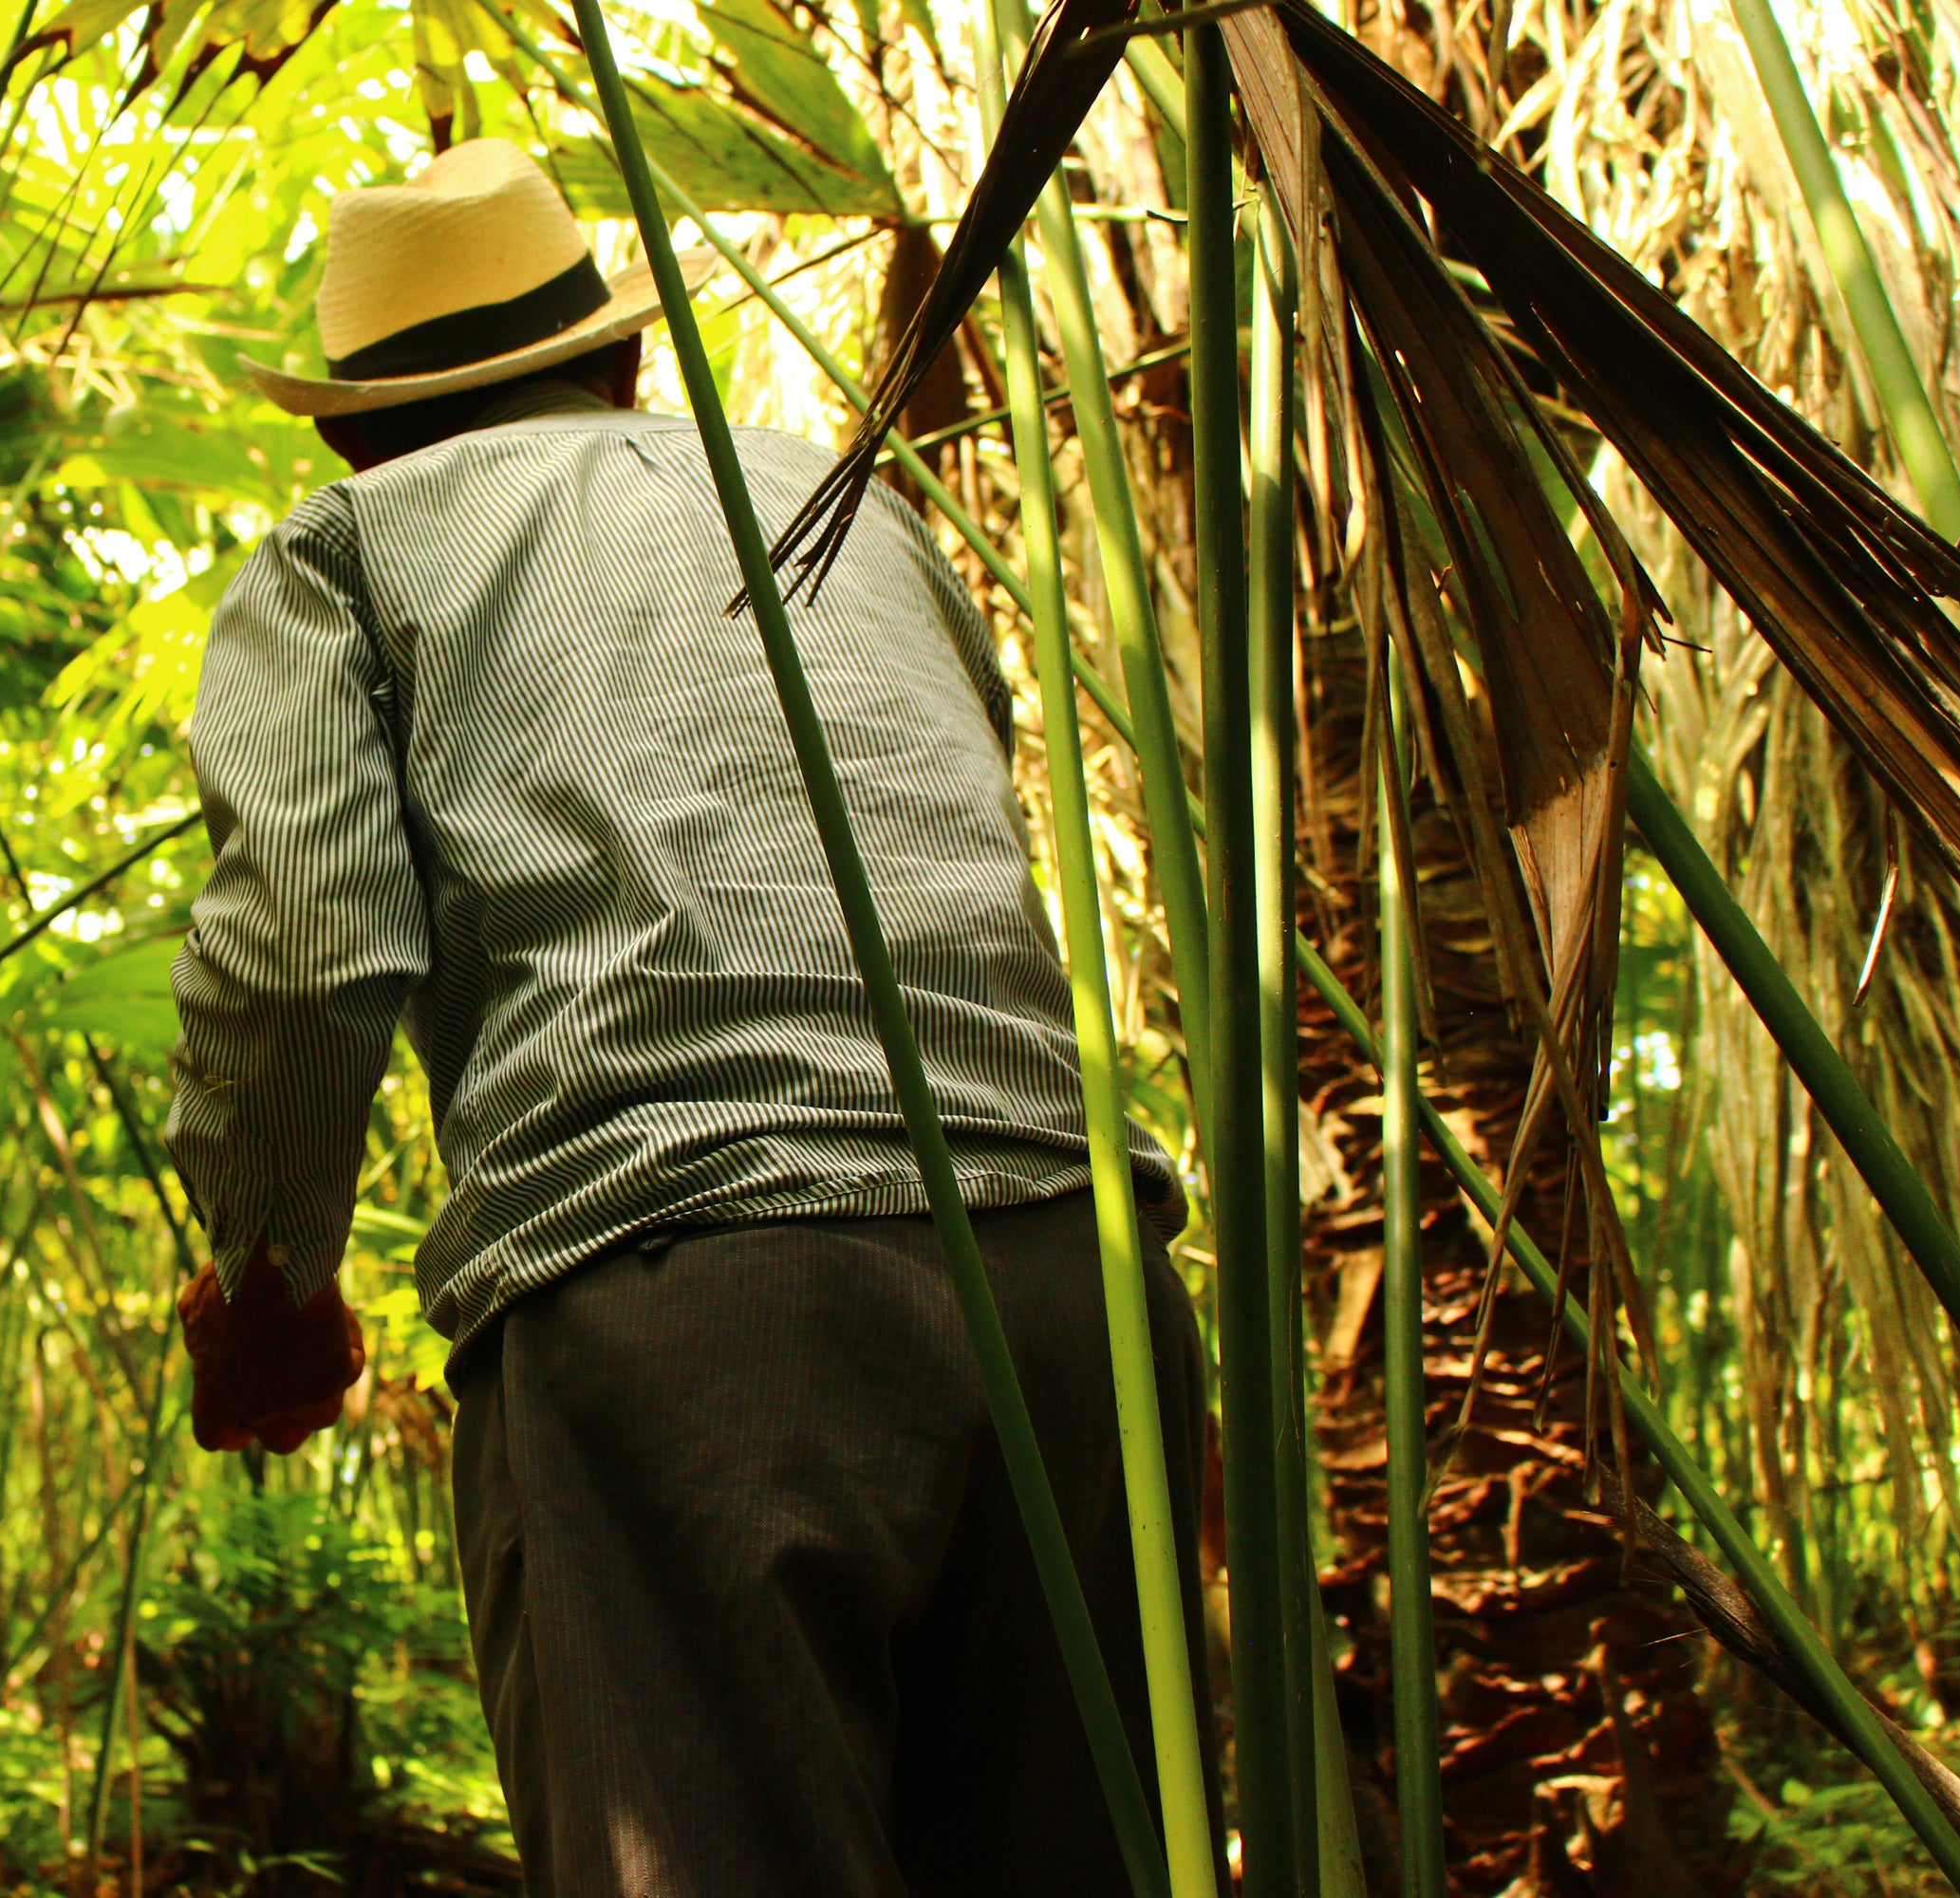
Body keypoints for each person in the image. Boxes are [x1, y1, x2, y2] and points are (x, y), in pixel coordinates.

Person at [162, 137, 1215, 1896]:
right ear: (630, 364)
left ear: (347, 432)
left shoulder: (347, 544)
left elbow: (305, 943)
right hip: (1069, 1288)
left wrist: (269, 1276)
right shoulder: (845, 502)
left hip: (687, 1307)